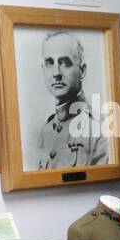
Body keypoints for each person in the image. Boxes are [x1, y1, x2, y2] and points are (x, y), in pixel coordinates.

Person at [33, 31, 106, 170]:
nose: (56, 73)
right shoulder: (45, 132)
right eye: (49, 63)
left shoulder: (100, 129)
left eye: (65, 63)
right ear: (43, 70)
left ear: (82, 71)